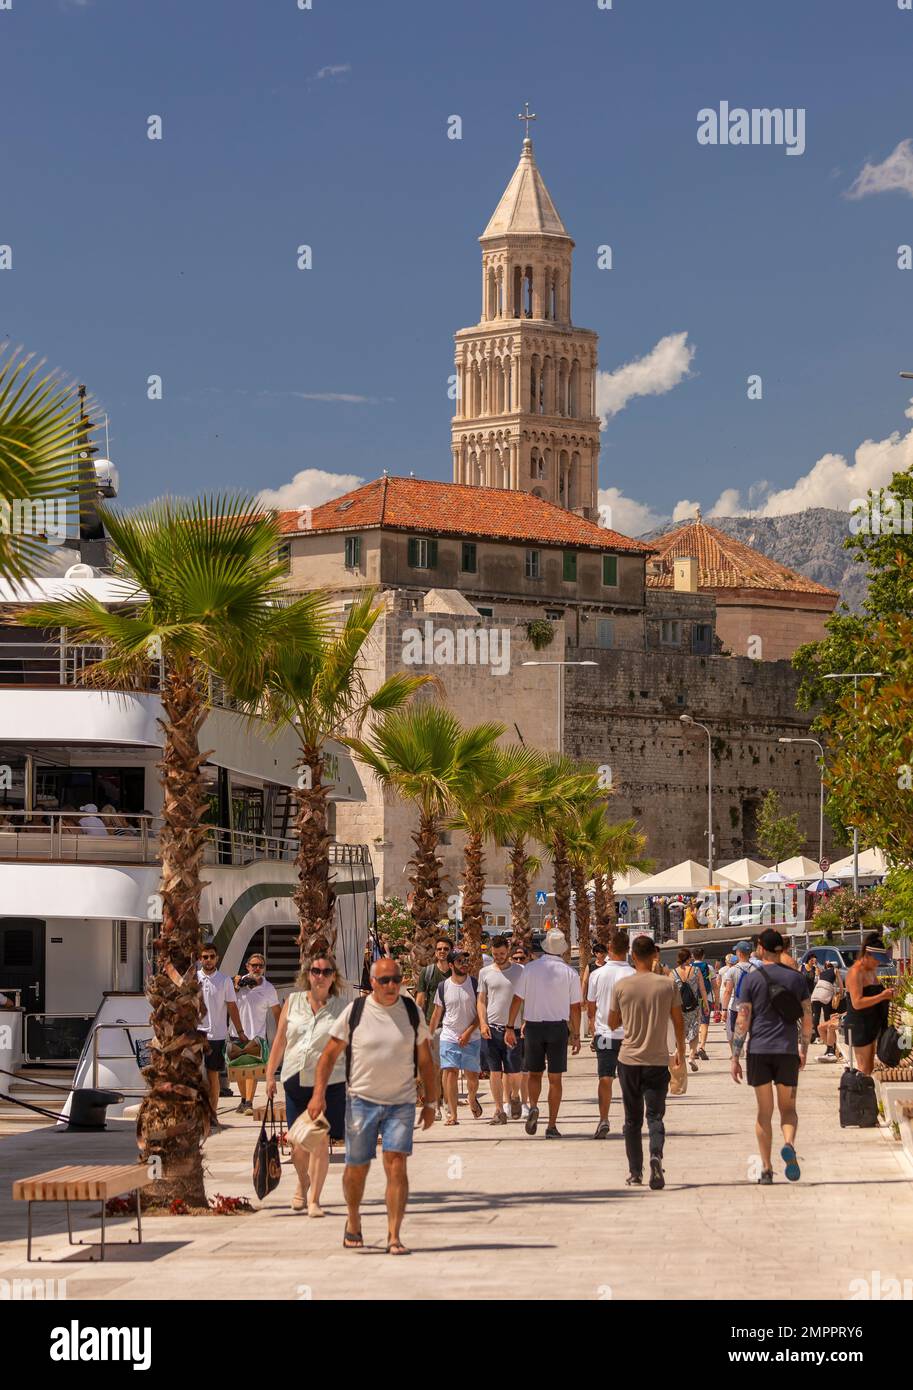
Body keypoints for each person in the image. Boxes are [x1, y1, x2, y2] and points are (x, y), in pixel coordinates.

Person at [310, 956, 436, 1255]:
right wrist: (318, 1094)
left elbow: (426, 1060)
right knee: (357, 1168)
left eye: (396, 979)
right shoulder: (356, 1012)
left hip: (401, 1103)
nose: (392, 985)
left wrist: (431, 1101)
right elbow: (328, 1056)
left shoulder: (410, 1011)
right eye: (385, 980)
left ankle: (394, 1235)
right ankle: (353, 1219)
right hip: (361, 1101)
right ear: (372, 983)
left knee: (397, 1165)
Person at [266, 953, 347, 1215]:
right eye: (315, 971)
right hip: (294, 1079)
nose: (320, 976)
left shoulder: (341, 1007)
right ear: (307, 974)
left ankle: (314, 1200)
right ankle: (303, 1183)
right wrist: (269, 1076)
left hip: (328, 1083)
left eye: (326, 972)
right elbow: (280, 1040)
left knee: (319, 1141)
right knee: (297, 1145)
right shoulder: (293, 1002)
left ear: (333, 976)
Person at [730, 927, 812, 1184]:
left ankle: (766, 1168)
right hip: (786, 1050)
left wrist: (734, 1056)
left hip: (759, 1051)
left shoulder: (752, 979)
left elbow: (743, 1019)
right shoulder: (797, 979)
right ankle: (788, 1143)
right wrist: (804, 1048)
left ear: (761, 948)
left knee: (764, 1112)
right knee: (788, 1109)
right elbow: (807, 1018)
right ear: (782, 950)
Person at [608, 934, 685, 1190]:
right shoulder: (667, 985)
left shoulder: (622, 986)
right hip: (657, 1058)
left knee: (632, 1119)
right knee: (655, 1115)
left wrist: (628, 1018)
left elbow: (611, 1023)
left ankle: (635, 1172)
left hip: (629, 1059)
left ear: (632, 955)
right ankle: (656, 1155)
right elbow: (678, 1020)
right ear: (654, 954)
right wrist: (681, 1052)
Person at [506, 926, 581, 1138]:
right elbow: (575, 1007)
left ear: (546, 947)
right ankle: (552, 1124)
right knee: (555, 1079)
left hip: (533, 1027)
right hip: (558, 1028)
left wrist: (510, 1026)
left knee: (534, 1074)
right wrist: (576, 1035)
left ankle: (534, 1105)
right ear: (562, 950)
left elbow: (517, 999)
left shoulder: (529, 969)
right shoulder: (570, 972)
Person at [587, 928, 634, 1138]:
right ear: (628, 949)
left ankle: (603, 1119)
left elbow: (590, 1006)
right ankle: (630, 1120)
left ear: (609, 948)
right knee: (630, 1080)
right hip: (630, 1036)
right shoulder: (634, 974)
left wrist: (592, 1025)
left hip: (605, 1034)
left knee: (605, 1077)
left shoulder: (597, 974)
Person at [430, 948, 482, 1124]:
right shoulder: (443, 987)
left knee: (472, 1078)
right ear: (451, 965)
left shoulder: (475, 985)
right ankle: (453, 1115)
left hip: (472, 1037)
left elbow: (481, 1014)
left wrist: (468, 1032)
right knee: (450, 1072)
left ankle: (472, 1097)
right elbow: (437, 1013)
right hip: (449, 1036)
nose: (464, 964)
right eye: (460, 961)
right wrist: (428, 1036)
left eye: (466, 961)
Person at [478, 935, 524, 1123]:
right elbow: (481, 1000)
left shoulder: (520, 971)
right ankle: (498, 1110)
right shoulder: (485, 972)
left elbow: (525, 998)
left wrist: (526, 1021)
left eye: (502, 954)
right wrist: (482, 1022)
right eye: (495, 954)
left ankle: (514, 1096)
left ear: (508, 951)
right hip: (491, 1029)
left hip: (513, 1029)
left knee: (514, 1071)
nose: (499, 957)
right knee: (494, 1071)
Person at [197, 946, 247, 1119]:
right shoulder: (193, 980)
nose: (208, 960)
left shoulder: (225, 980)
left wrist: (240, 1031)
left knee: (213, 1077)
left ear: (216, 958)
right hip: (195, 1035)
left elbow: (232, 1006)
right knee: (194, 1076)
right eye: (205, 957)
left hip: (216, 1035)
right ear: (200, 958)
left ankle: (212, 1115)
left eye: (211, 956)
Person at [232, 951, 281, 1113]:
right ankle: (243, 1099)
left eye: (260, 966)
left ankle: (248, 1102)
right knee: (239, 1070)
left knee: (251, 1069)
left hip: (256, 1035)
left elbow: (276, 1012)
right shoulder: (238, 983)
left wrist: (282, 1031)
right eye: (254, 965)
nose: (257, 968)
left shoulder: (268, 988)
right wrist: (235, 986)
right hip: (236, 1033)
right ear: (247, 967)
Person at [843, 934, 894, 1076]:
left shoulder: (871, 970)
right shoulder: (855, 972)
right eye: (877, 959)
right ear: (867, 954)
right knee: (863, 1068)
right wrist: (882, 996)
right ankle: (861, 1096)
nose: (878, 963)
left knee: (870, 1067)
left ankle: (867, 1096)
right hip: (860, 1024)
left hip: (872, 1023)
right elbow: (857, 1003)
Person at [415, 934, 452, 1118]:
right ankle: (436, 1105)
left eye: (446, 949)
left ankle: (447, 1101)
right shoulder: (428, 973)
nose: (442, 952)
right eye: (439, 949)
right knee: (436, 1068)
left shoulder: (455, 973)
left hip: (453, 1027)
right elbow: (420, 999)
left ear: (450, 951)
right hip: (433, 1025)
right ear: (435, 952)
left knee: (450, 1069)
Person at [509, 940, 531, 1115]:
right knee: (508, 1069)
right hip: (508, 1028)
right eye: (515, 958)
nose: (518, 961)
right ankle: (509, 1101)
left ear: (528, 958)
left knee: (525, 1069)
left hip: (526, 1028)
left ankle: (525, 1102)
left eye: (521, 958)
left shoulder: (531, 976)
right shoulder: (506, 975)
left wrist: (527, 1021)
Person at [722, 942, 754, 1040]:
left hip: (736, 1007)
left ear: (739, 953)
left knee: (737, 1034)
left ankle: (737, 1054)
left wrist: (724, 1009)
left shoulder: (732, 970)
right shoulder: (756, 969)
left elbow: (727, 991)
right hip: (753, 1008)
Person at [581, 943, 608, 1043]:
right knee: (591, 1018)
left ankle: (602, 1040)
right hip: (592, 997)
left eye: (604, 952)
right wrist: (582, 997)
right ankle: (594, 1039)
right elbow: (585, 981)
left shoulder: (608, 966)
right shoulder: (590, 966)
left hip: (604, 998)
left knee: (603, 1019)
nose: (603, 954)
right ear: (596, 953)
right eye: (601, 952)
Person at [691, 946, 713, 1059]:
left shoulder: (689, 968)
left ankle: (693, 1050)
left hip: (693, 1000)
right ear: (703, 956)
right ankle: (702, 1047)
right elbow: (715, 985)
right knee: (705, 1023)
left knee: (694, 1024)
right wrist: (717, 1001)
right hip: (706, 999)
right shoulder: (709, 967)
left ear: (692, 956)